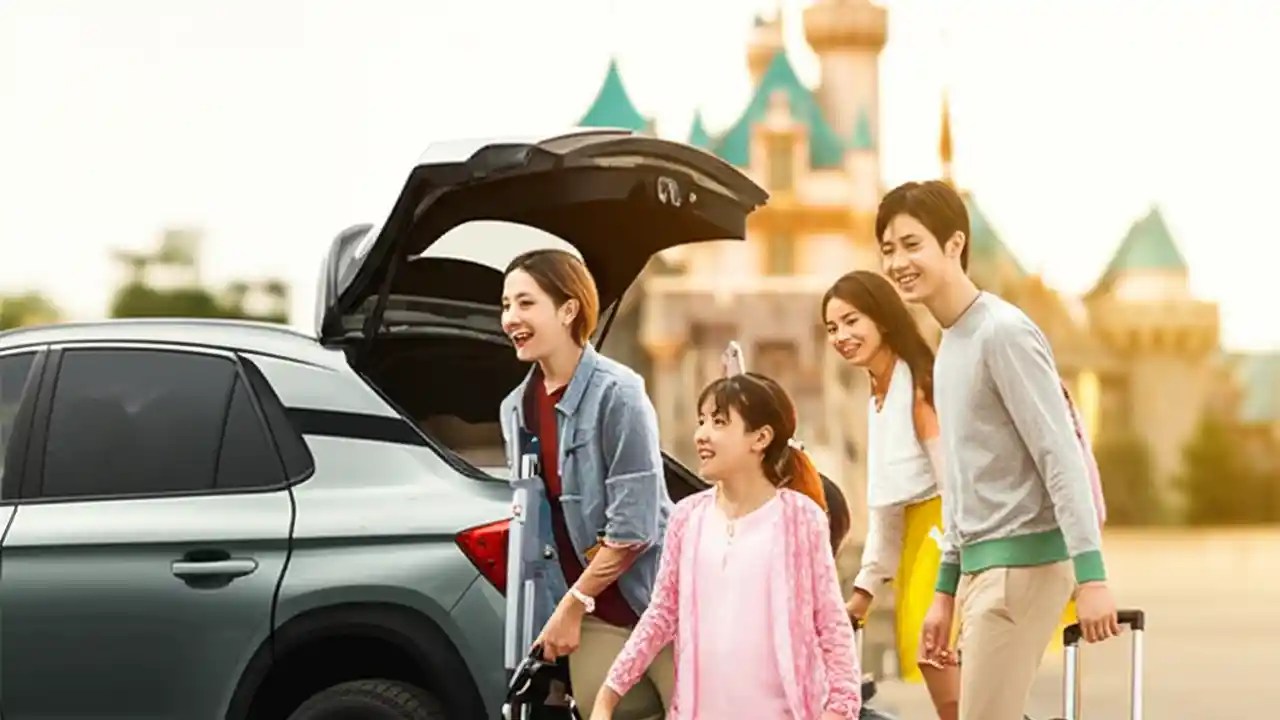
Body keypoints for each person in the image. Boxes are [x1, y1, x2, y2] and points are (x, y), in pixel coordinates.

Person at [874, 180, 1120, 720]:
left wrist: (1093, 575)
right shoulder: (951, 348)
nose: (897, 261)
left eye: (911, 244)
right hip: (983, 572)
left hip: (1022, 566)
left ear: (955, 244)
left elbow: (1060, 455)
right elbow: (962, 487)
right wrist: (944, 593)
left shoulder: (1002, 333)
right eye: (888, 249)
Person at [591, 372, 861, 720]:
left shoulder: (801, 518)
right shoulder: (686, 517)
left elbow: (831, 622)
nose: (701, 435)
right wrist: (609, 693)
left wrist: (840, 710)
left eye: (719, 422)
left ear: (761, 438)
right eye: (701, 421)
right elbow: (660, 616)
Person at [498, 249, 673, 720]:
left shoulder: (619, 393)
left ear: (568, 309)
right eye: (506, 305)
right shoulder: (515, 411)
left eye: (525, 303)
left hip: (662, 602)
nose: (510, 318)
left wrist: (573, 604)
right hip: (595, 618)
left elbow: (635, 527)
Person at [822, 269, 961, 719]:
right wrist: (862, 593)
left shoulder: (920, 385)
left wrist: (953, 570)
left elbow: (954, 484)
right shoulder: (877, 398)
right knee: (939, 671)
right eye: (832, 328)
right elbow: (887, 507)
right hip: (917, 542)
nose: (841, 336)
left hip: (946, 538)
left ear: (881, 319)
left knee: (940, 662)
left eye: (851, 321)